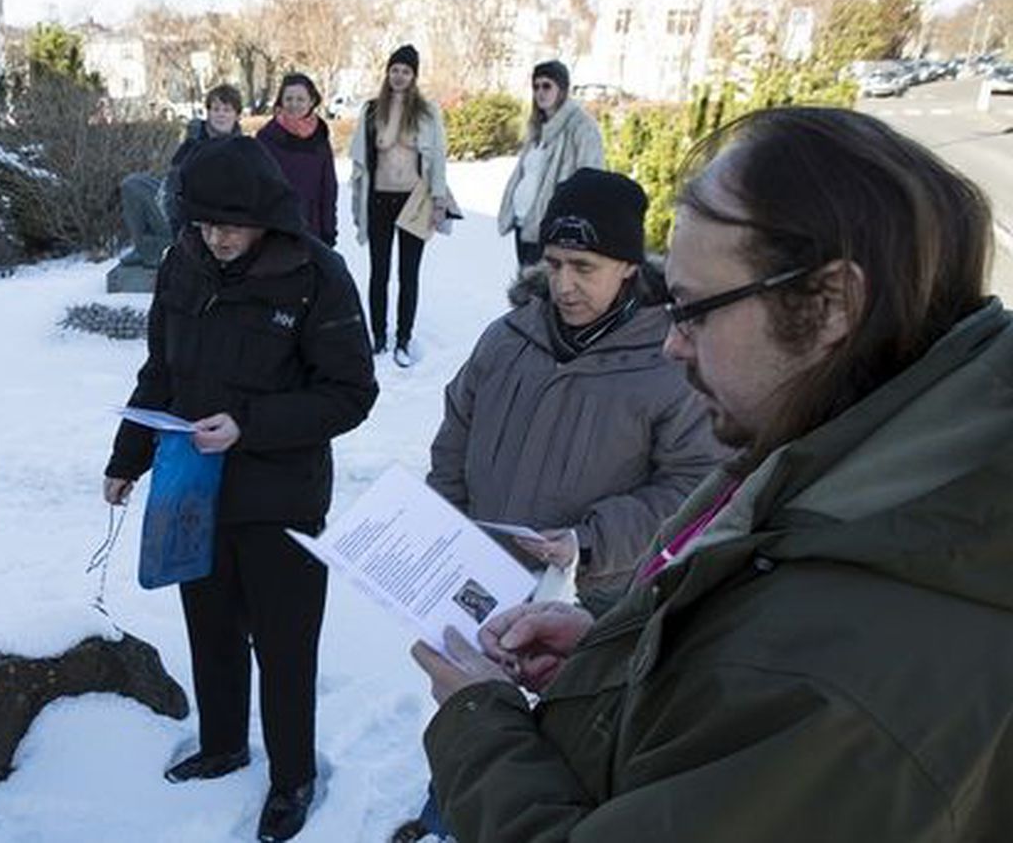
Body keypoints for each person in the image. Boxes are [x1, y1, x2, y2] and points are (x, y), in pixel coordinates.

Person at [412, 107, 1013, 841]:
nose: (672, 345)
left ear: (831, 306)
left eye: (694, 311)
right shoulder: (829, 457)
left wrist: (479, 726)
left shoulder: (847, 678)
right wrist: (623, 656)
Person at [391, 168, 723, 843]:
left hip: (593, 602)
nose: (564, 284)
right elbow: (455, 437)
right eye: (553, 263)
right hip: (484, 581)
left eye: (585, 267)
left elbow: (694, 484)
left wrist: (591, 540)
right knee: (473, 714)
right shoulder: (507, 338)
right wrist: (444, 530)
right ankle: (443, 820)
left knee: (558, 748)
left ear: (629, 267)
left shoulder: (670, 362)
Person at [104, 136, 377, 842]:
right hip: (194, 485)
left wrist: (249, 425)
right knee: (211, 626)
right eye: (203, 223)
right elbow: (159, 367)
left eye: (229, 224)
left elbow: (350, 393)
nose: (216, 238)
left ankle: (293, 778)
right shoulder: (182, 262)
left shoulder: (316, 275)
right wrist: (127, 456)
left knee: (285, 646)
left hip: (280, 494)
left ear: (265, 216)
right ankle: (223, 742)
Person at [349, 44, 451, 367]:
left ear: (414, 76)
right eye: (395, 69)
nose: (399, 76)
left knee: (409, 274)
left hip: (414, 201)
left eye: (406, 71)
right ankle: (378, 336)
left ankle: (403, 338)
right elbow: (360, 161)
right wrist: (357, 203)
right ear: (388, 72)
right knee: (379, 272)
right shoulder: (370, 110)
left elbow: (438, 159)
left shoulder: (427, 112)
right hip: (379, 200)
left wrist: (438, 200)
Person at [120, 83, 245, 268]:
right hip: (174, 205)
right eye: (216, 109)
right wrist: (191, 143)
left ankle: (162, 249)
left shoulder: (242, 147)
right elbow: (174, 172)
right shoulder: (195, 137)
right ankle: (145, 247)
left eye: (227, 110)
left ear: (236, 115)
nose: (221, 114)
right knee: (133, 185)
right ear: (208, 113)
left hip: (205, 221)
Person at [497, 60, 605, 268]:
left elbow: (591, 179)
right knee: (526, 290)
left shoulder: (582, 127)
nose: (540, 92)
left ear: (562, 89)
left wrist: (569, 223)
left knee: (544, 294)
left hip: (553, 229)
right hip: (524, 224)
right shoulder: (537, 129)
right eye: (536, 86)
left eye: (547, 86)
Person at [256, 72, 339, 246]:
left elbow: (328, 189)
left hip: (312, 227)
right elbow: (258, 188)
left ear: (311, 101)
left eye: (301, 99)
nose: (294, 104)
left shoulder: (320, 138)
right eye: (289, 99)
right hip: (275, 231)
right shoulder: (266, 138)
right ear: (281, 101)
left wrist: (329, 230)